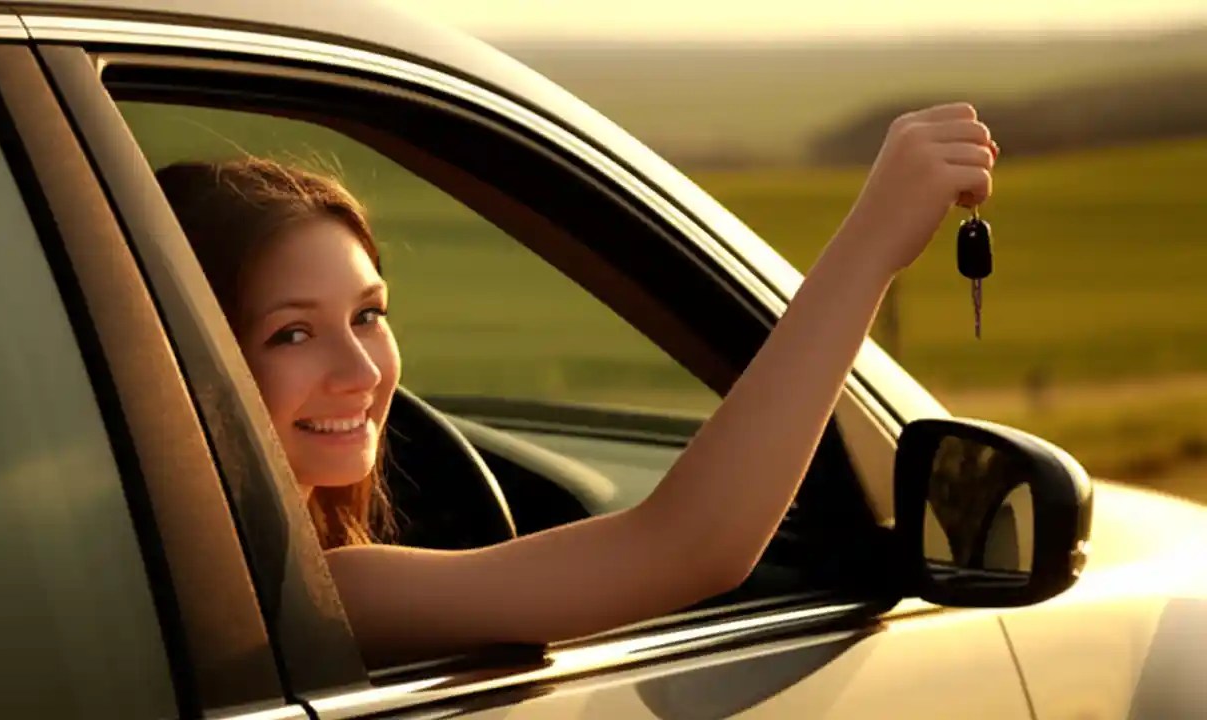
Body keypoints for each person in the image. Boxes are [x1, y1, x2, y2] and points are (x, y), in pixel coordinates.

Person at [156, 102, 998, 666]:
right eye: (291, 333)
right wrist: (873, 244)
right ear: (192, 363)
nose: (361, 372)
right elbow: (690, 547)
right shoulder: (315, 591)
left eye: (369, 315)